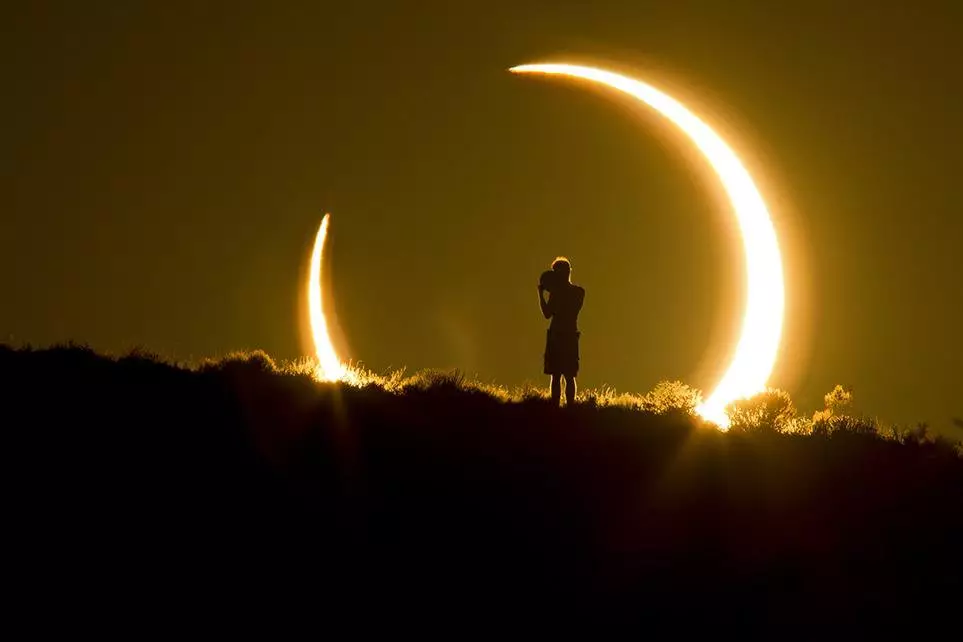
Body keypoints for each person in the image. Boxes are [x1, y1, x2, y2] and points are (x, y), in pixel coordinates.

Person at [538, 257, 585, 407]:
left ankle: (556, 408)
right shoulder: (578, 292)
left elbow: (547, 314)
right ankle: (568, 407)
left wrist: (541, 294)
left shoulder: (562, 293)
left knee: (558, 375)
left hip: (558, 335)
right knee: (568, 375)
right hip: (569, 335)